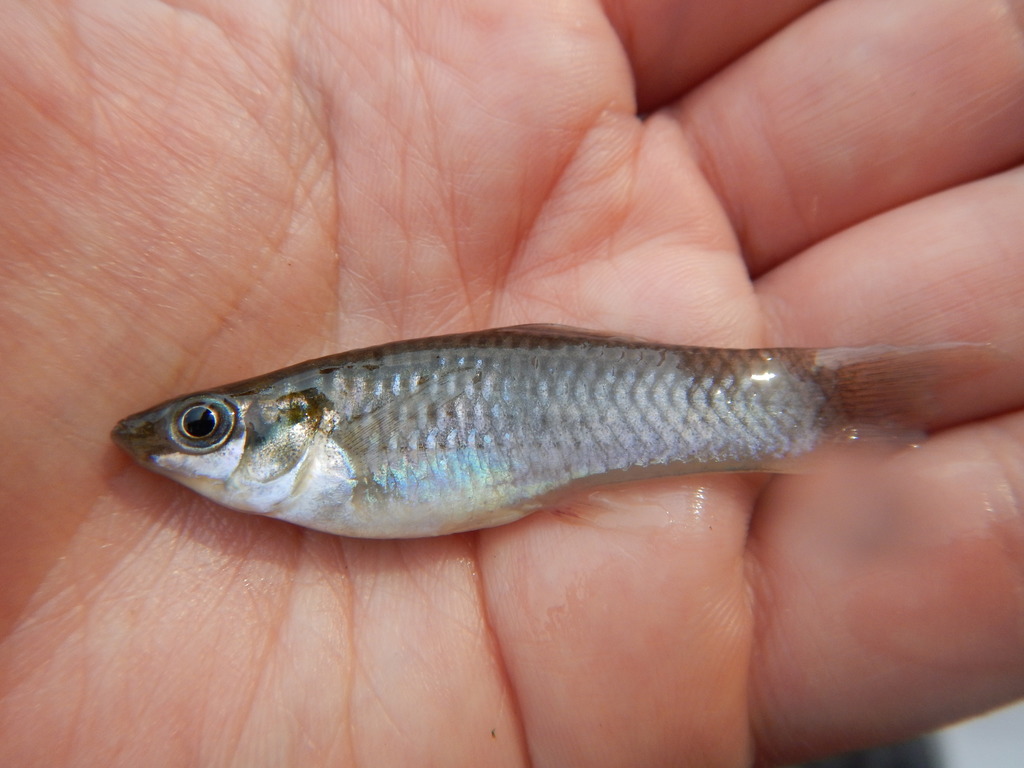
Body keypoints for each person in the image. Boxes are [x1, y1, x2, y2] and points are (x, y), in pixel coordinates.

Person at [1, 1, 1021, 765]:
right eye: (204, 426)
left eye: (208, 426)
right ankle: (828, 413)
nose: (183, 445)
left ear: (293, 423)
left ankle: (824, 407)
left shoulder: (328, 457)